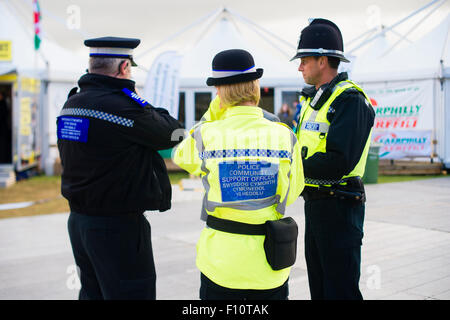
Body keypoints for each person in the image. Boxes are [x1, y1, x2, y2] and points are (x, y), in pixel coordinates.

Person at [57, 36, 183, 300]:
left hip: (79, 222)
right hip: (117, 227)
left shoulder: (71, 105)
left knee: (93, 293)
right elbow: (174, 133)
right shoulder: (123, 107)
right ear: (124, 68)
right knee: (132, 292)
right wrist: (139, 101)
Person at [173, 49, 305, 300]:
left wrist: (215, 110)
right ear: (256, 87)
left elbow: (180, 155)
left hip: (221, 263)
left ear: (219, 93)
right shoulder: (284, 135)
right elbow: (292, 193)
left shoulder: (205, 134)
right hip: (269, 264)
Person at [291, 19, 375, 300]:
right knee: (321, 286)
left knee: (340, 291)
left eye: (304, 60)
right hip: (316, 205)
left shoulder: (350, 100)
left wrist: (288, 169)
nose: (300, 66)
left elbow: (338, 161)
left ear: (323, 60)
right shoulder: (314, 99)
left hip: (339, 206)